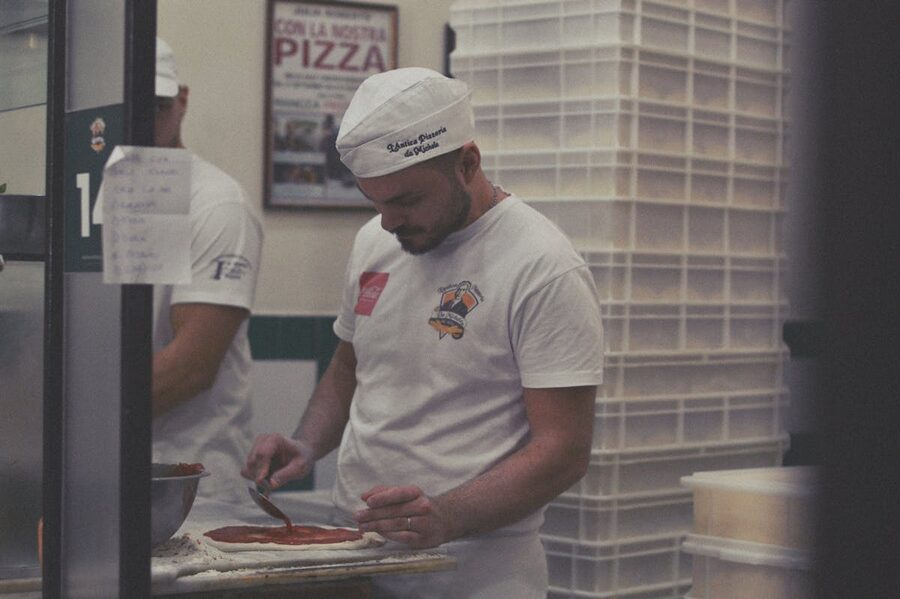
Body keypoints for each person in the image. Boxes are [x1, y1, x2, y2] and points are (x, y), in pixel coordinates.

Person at [243, 67, 603, 598]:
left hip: (475, 571)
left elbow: (564, 449)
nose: (388, 221)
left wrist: (446, 516)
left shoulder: (542, 267)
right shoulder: (375, 241)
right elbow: (350, 367)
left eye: (406, 201)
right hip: (356, 556)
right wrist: (306, 442)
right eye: (376, 201)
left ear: (467, 163)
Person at [151, 38, 264, 504]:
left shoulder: (216, 204)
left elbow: (191, 369)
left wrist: (69, 425)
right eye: (125, 107)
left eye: (153, 106)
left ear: (181, 101)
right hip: (101, 472)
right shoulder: (89, 200)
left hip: (194, 482)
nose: (139, 122)